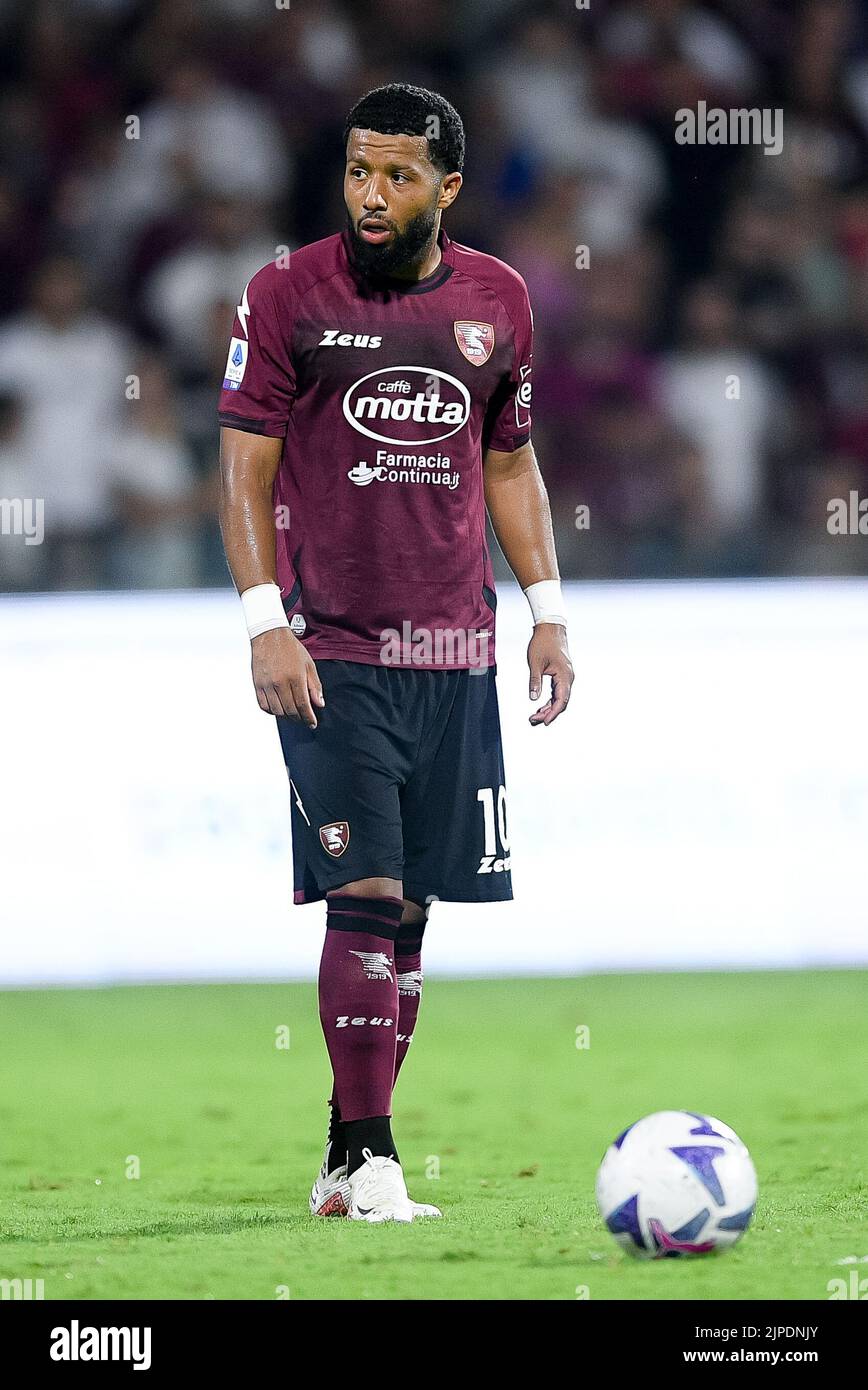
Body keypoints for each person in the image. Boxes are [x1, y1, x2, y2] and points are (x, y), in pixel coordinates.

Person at [217, 83, 573, 1224]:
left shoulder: (497, 302)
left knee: (411, 908)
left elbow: (509, 461)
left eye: (398, 176)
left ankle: (340, 1150)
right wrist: (262, 618)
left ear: (447, 188)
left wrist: (548, 609)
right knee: (362, 890)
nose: (371, 196)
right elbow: (242, 464)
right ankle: (374, 1162)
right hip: (330, 647)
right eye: (359, 172)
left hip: (454, 649)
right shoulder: (285, 293)